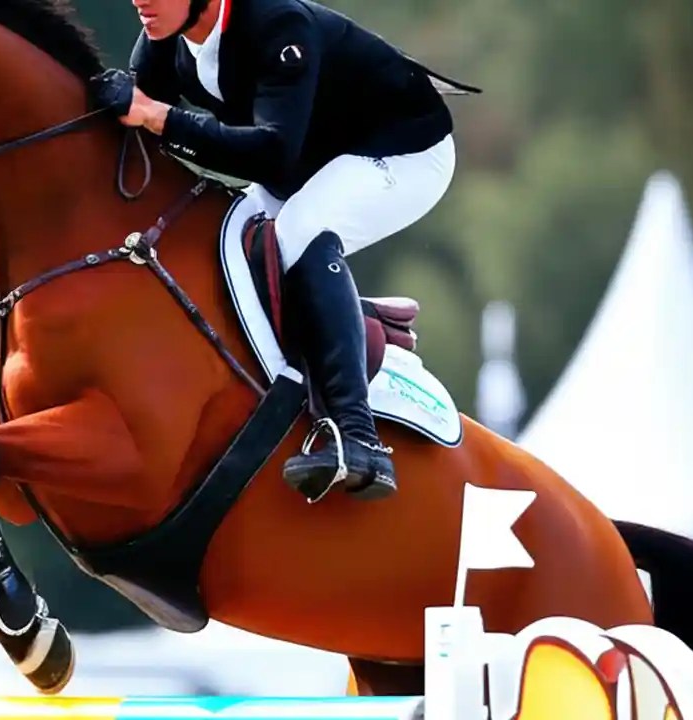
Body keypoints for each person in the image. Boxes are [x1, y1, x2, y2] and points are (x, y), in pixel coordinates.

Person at [91, 0, 477, 502]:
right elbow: (138, 122)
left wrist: (161, 118)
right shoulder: (164, 40)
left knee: (301, 230)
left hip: (404, 150)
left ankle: (358, 439)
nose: (139, 0)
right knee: (226, 234)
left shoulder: (275, 23)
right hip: (311, 158)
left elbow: (271, 154)